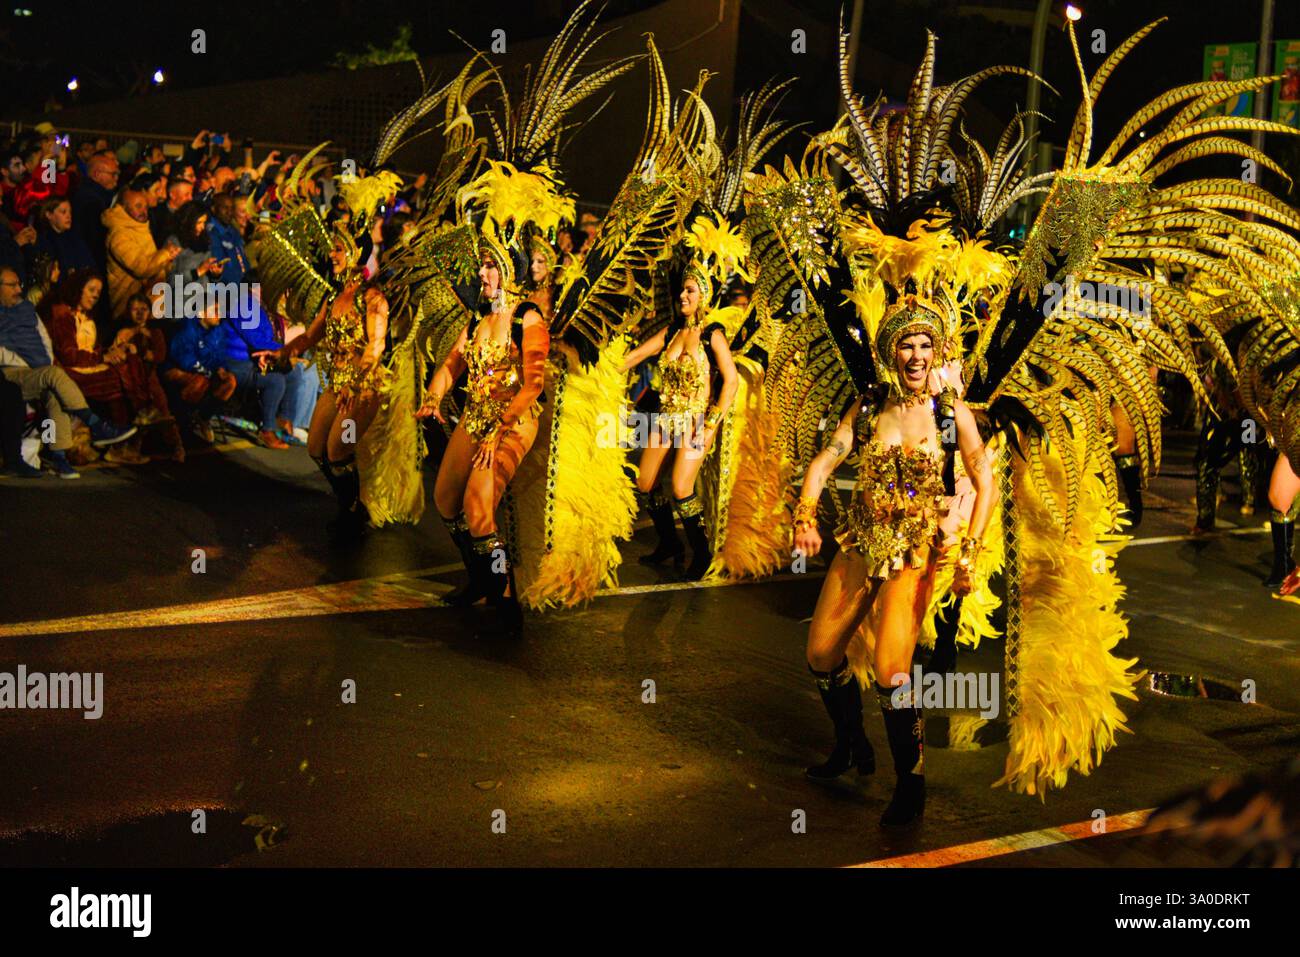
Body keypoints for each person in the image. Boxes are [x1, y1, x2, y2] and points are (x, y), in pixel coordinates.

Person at [791, 301, 994, 827]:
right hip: (861, 541)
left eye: (926, 345)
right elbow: (826, 459)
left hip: (915, 552)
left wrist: (969, 551)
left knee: (891, 670)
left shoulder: (952, 416)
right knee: (819, 653)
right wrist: (805, 516)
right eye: (907, 345)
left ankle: (911, 782)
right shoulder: (868, 406)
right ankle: (852, 742)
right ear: (890, 353)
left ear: (938, 352)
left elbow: (986, 481)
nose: (917, 355)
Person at [417, 235, 549, 636]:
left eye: (490, 265)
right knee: (444, 499)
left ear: (509, 270)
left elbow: (534, 385)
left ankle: (505, 594)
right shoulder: (478, 318)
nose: (482, 273)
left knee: (477, 504)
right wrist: (434, 396)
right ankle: (479, 577)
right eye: (482, 265)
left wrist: (499, 426)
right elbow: (450, 365)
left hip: (513, 420)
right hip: (476, 416)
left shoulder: (528, 317)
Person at [272, 228, 391, 542]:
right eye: (332, 249)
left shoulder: (372, 297)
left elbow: (375, 348)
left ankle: (353, 512)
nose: (332, 255)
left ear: (355, 253)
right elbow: (312, 336)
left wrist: (355, 385)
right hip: (337, 384)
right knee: (315, 448)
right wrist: (284, 352)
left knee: (338, 449)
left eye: (339, 249)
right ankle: (348, 504)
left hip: (363, 389)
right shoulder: (333, 296)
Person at [621, 267, 740, 579]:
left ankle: (701, 553)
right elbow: (633, 358)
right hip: (666, 417)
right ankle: (670, 543)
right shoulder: (673, 330)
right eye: (682, 290)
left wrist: (711, 422)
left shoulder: (712, 333)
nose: (682, 296)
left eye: (690, 291)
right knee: (645, 482)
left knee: (679, 485)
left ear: (704, 296)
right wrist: (595, 368)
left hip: (698, 420)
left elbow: (731, 381)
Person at [0, 266, 136, 477]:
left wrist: (43, 360)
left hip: (39, 370)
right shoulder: (59, 313)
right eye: (12, 285)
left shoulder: (25, 310)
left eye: (19, 284)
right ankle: (96, 425)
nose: (18, 289)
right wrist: (27, 361)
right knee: (55, 375)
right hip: (11, 371)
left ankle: (60, 458)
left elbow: (44, 339)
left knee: (55, 392)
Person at [161, 300, 237, 444]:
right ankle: (181, 421)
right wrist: (208, 372)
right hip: (178, 369)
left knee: (230, 381)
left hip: (206, 372)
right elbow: (184, 359)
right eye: (215, 310)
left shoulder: (218, 330)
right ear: (201, 313)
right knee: (199, 382)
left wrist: (222, 369)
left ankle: (204, 417)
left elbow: (221, 356)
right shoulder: (187, 327)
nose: (219, 314)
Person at [103, 188, 179, 320]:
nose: (144, 211)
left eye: (145, 207)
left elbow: (154, 263)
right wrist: (165, 253)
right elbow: (141, 268)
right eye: (138, 206)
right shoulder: (119, 235)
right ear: (122, 208)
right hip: (128, 310)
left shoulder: (140, 228)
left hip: (150, 303)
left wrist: (168, 261)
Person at [72, 150, 119, 271]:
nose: (116, 179)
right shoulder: (91, 201)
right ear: (97, 174)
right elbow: (95, 241)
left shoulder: (101, 196)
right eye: (112, 174)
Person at [35, 197, 95, 274]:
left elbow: (90, 264)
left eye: (70, 212)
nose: (68, 216)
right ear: (49, 215)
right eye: (63, 212)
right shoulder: (44, 241)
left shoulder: (75, 238)